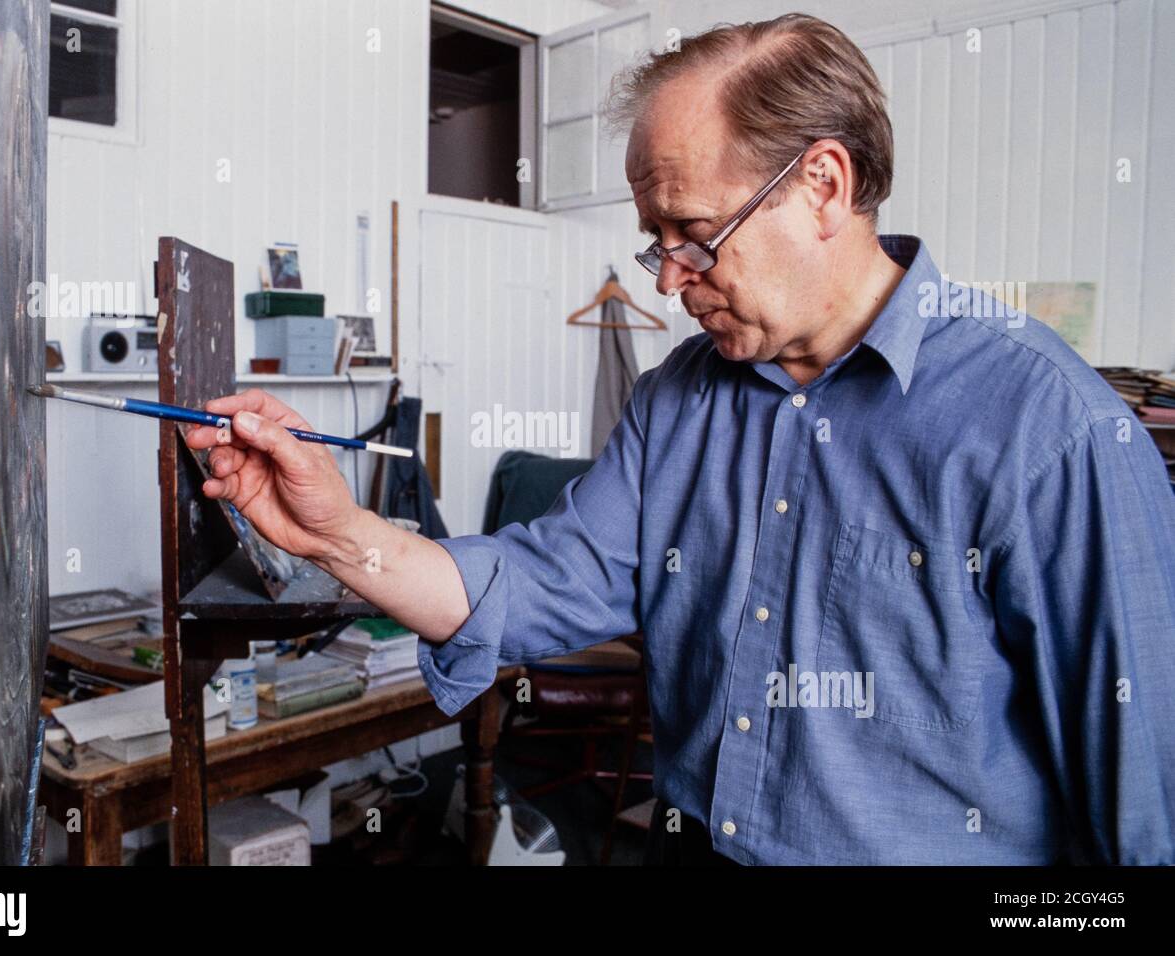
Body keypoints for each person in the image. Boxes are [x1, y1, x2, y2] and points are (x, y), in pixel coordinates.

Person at [185, 14, 1175, 865]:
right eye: (653, 240)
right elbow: (531, 582)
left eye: (693, 233)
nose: (667, 279)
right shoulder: (677, 401)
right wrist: (331, 527)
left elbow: (1142, 807)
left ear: (823, 185)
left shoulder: (1049, 428)